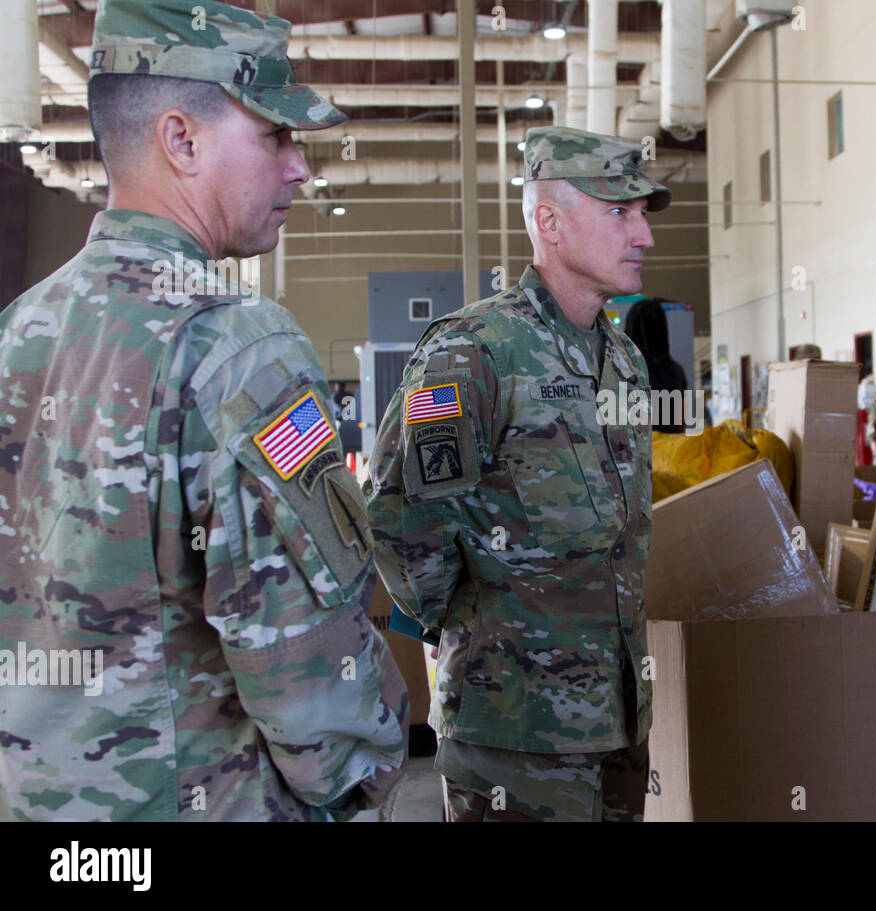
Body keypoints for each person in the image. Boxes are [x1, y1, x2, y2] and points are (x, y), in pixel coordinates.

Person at [0, 0, 408, 822]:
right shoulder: (237, 347)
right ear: (181, 140)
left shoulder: (18, 332)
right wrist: (366, 782)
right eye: (276, 136)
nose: (299, 168)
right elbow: (302, 657)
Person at [365, 126, 668, 822]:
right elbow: (399, 516)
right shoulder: (474, 353)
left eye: (643, 212)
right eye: (621, 212)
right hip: (513, 737)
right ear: (548, 222)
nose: (644, 235)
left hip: (619, 723)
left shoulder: (624, 360)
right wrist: (470, 627)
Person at [624, 298, 689, 433]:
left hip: (636, 451)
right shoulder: (676, 371)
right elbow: (681, 423)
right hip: (668, 450)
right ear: (664, 330)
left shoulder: (623, 371)